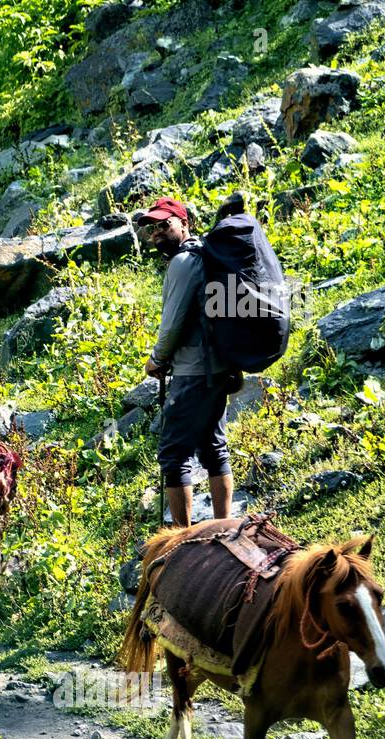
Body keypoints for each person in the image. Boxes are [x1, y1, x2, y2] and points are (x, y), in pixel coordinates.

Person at [138, 196, 239, 528]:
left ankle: (183, 539)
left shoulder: (184, 261)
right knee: (213, 447)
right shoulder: (206, 256)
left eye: (165, 224)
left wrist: (156, 359)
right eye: (152, 228)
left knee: (173, 454)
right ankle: (224, 526)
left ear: (184, 223)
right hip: (217, 367)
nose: (157, 233)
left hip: (193, 371)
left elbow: (173, 322)